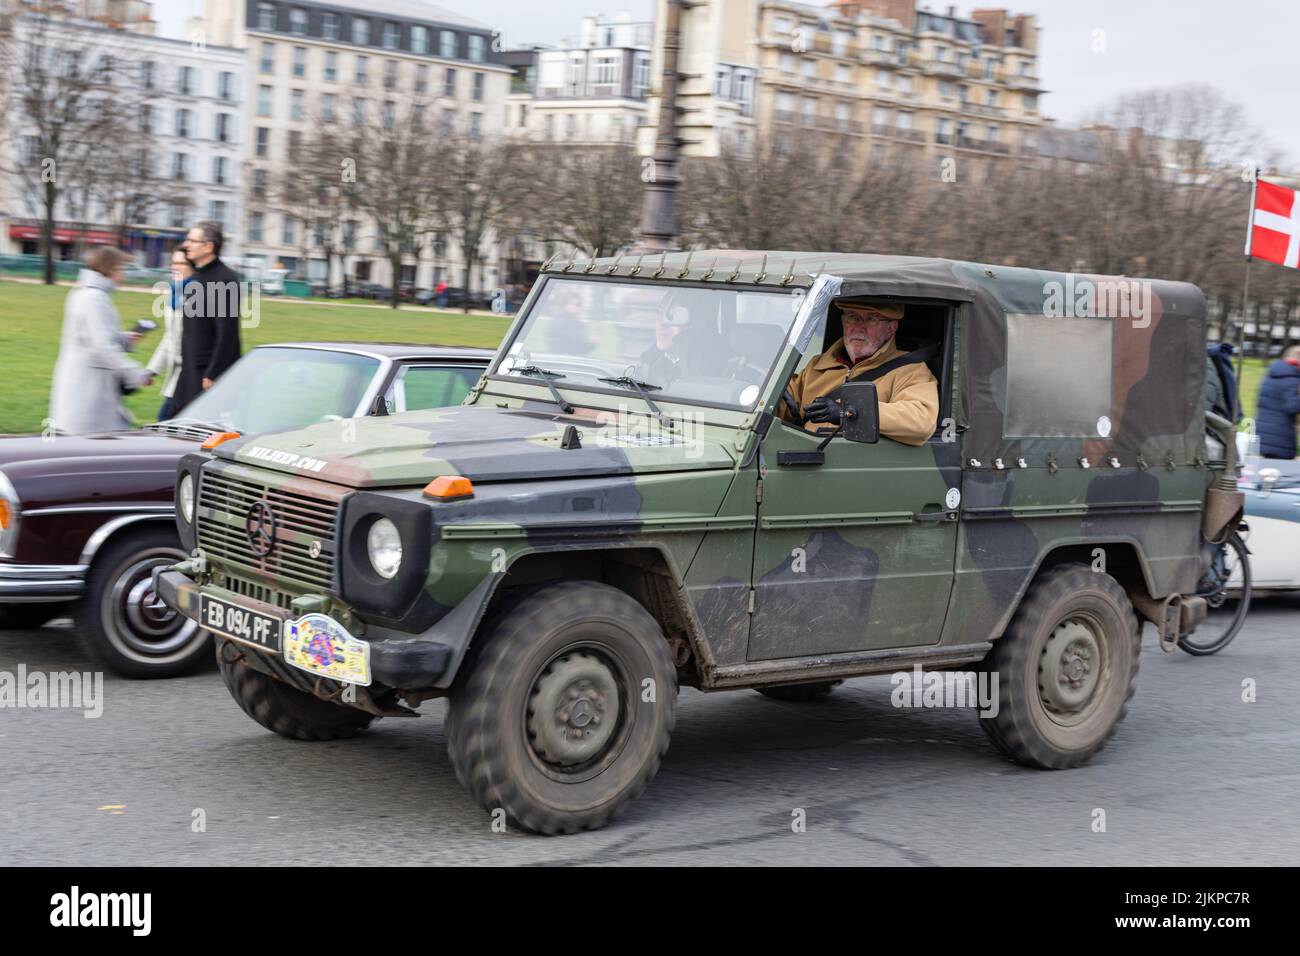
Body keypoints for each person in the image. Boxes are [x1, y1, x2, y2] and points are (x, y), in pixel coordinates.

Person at [780, 301, 939, 447]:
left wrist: (848, 412)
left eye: (871, 319)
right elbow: (787, 403)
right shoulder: (818, 365)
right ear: (843, 323)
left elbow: (921, 420)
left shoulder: (910, 370)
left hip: (861, 465)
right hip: (806, 457)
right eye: (852, 317)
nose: (858, 327)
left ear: (891, 328)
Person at [48, 247, 154, 434]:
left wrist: (124, 339)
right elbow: (101, 348)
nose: (124, 275)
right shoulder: (95, 298)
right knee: (94, 447)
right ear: (110, 269)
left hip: (83, 384)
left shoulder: (82, 293)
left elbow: (89, 337)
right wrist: (135, 374)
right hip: (89, 390)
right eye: (121, 269)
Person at [172, 220, 241, 412]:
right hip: (190, 370)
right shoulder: (198, 278)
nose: (186, 245)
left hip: (206, 374)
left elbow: (227, 333)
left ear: (208, 246)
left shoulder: (225, 279)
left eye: (192, 241)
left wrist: (213, 373)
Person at [147, 248, 194, 421]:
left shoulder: (199, 297)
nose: (175, 267)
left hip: (191, 376)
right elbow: (169, 337)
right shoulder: (174, 294)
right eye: (173, 262)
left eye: (181, 263)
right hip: (177, 375)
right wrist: (152, 370)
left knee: (165, 422)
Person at [1256, 345, 1300, 460]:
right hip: (1281, 438)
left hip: (1264, 434)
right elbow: (1292, 406)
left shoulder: (1272, 374)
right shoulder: (1291, 378)